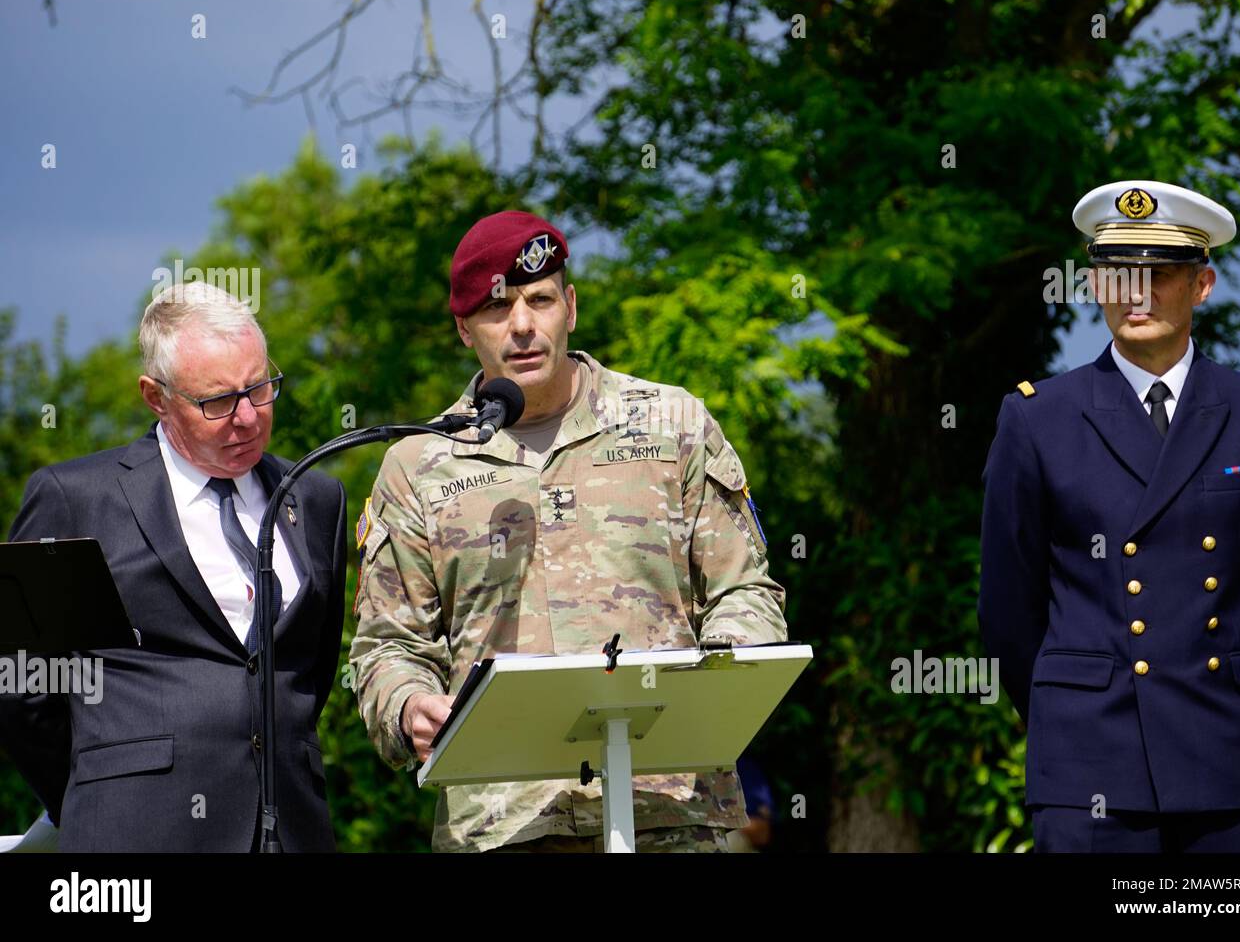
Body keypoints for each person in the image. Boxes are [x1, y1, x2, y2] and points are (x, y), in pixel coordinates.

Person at [349, 210, 788, 852]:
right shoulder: (419, 465)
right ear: (464, 329)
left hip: (670, 813)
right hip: (504, 825)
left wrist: (714, 685)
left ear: (571, 307)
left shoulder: (673, 426)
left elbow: (745, 591)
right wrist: (409, 705)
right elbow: (388, 646)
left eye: (541, 300)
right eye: (498, 309)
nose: (523, 325)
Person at [978, 180, 1240, 852]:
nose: (1138, 296)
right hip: (1091, 764)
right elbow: (1009, 611)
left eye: (1160, 275)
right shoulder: (1039, 419)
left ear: (1202, 284)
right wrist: (1070, 707)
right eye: (1118, 276)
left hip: (1232, 758)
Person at [0, 281, 347, 851]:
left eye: (260, 389)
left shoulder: (315, 499)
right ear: (155, 397)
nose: (247, 417)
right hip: (131, 833)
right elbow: (19, 678)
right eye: (216, 401)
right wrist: (100, 783)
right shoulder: (76, 497)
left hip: (292, 833)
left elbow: (309, 671)